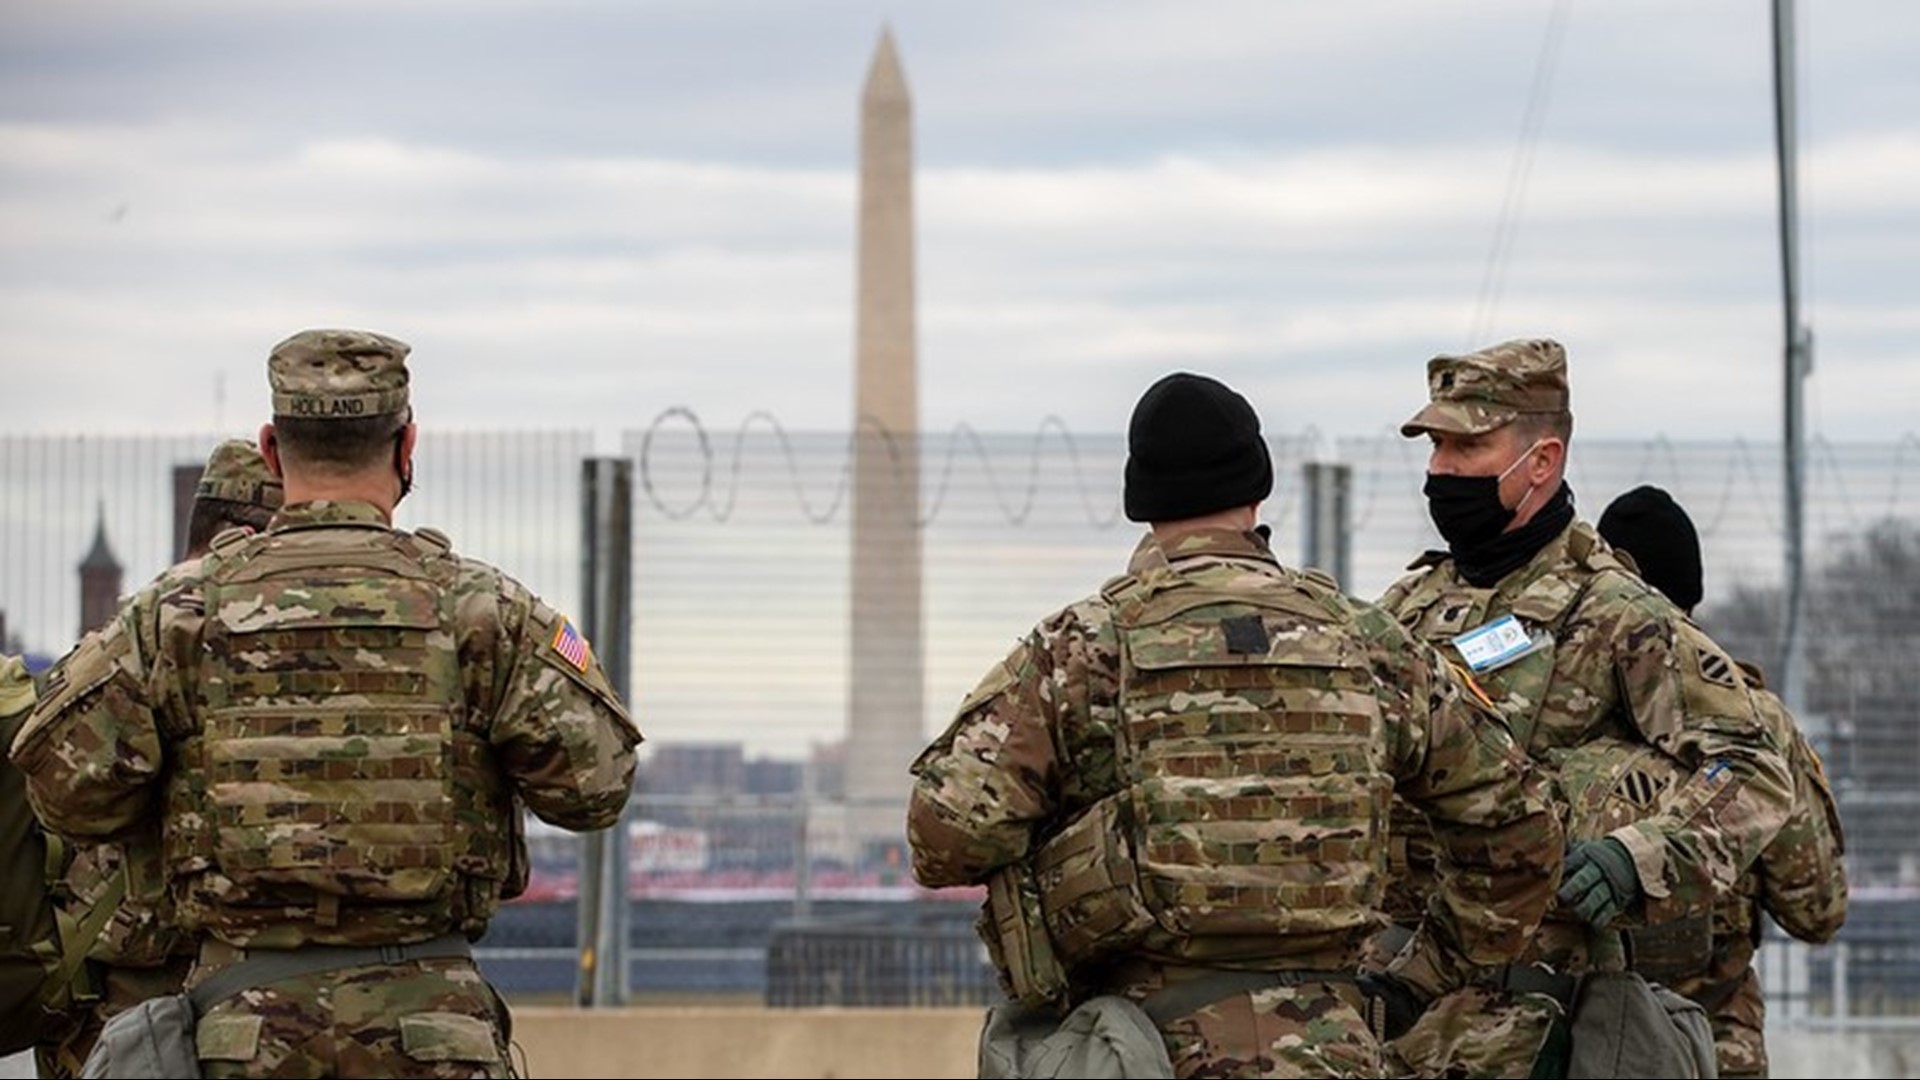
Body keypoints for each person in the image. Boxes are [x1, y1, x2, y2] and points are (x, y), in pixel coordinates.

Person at [11, 328, 643, 1079]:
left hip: (241, 1039)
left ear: (272, 450)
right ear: (408, 449)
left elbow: (67, 796)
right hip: (435, 1038)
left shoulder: (175, 615)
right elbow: (596, 789)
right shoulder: (486, 613)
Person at [907, 371, 1565, 1079]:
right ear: (1259, 488)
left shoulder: (1084, 649)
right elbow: (1520, 825)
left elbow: (945, 837)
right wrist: (1419, 979)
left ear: (1140, 497)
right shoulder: (1370, 642)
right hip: (1338, 1047)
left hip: (1145, 1049)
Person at [1372, 338, 1795, 1078]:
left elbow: (1754, 770)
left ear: (1541, 461)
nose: (1441, 470)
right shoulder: (1409, 609)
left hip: (1536, 1026)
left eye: (1468, 446)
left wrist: (1640, 860)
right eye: (1436, 446)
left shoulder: (1616, 614)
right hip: (1396, 1022)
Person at [25, 438, 286, 1079]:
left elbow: (60, 796)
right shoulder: (232, 648)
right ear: (249, 532)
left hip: (107, 1002)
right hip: (194, 985)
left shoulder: (116, 643)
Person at [1594, 483, 1848, 1078]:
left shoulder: (1546, 715)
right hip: (1709, 1046)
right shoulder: (1752, 722)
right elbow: (1817, 906)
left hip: (1567, 1041)